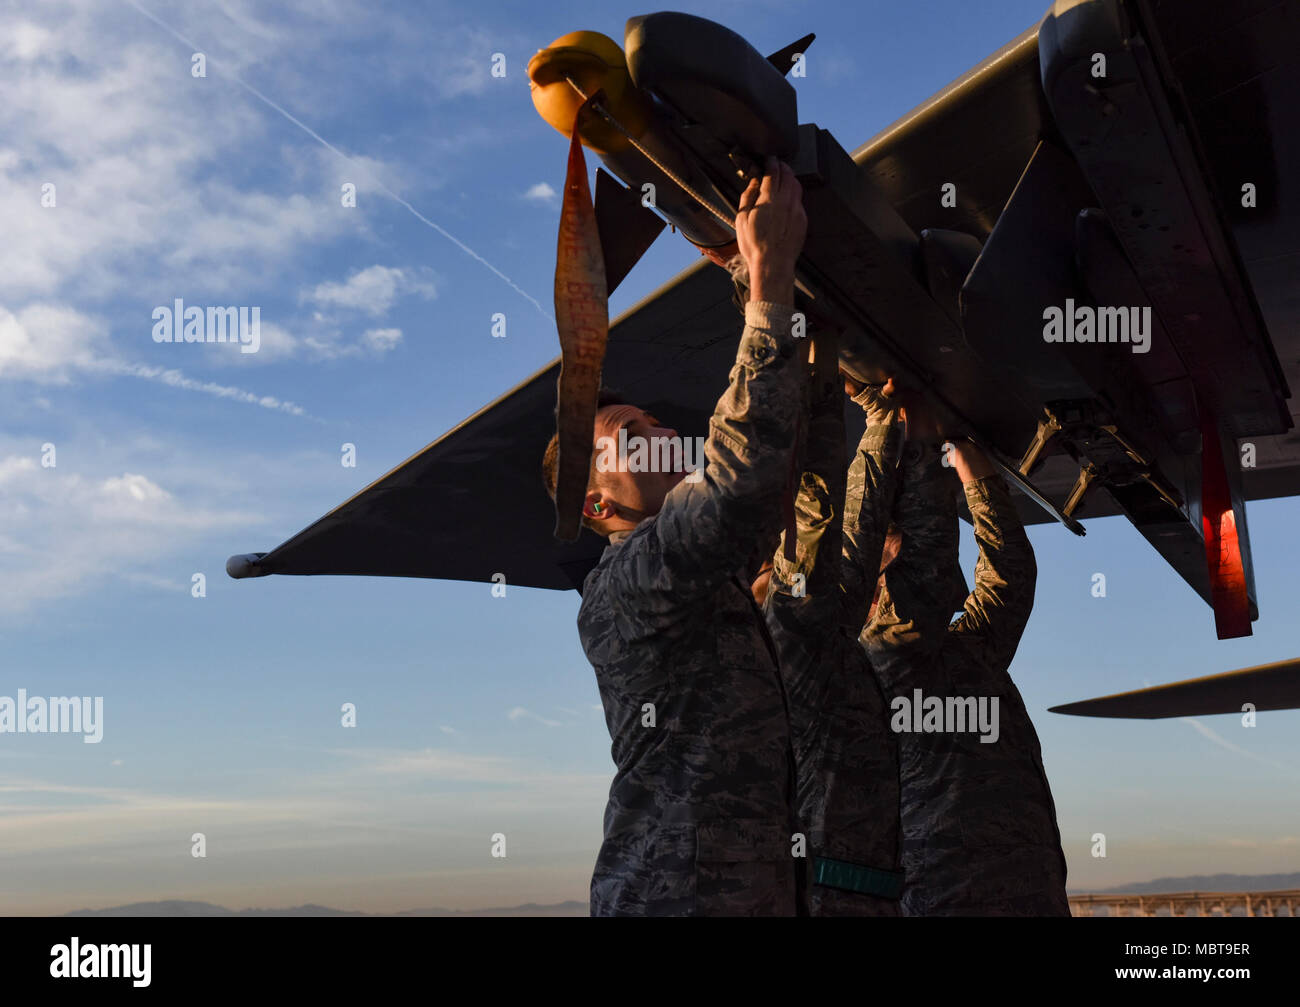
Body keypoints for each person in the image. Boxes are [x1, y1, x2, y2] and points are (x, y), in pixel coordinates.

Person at [541, 158, 809, 915]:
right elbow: (739, 479)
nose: (659, 434)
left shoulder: (699, 573)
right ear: (595, 503)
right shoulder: (624, 583)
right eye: (630, 436)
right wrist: (768, 278)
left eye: (656, 422)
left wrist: (748, 276)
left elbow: (774, 462)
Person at [861, 403, 1070, 916]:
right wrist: (914, 439)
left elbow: (1007, 575)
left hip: (1031, 894)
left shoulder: (970, 649)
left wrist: (972, 468)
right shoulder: (878, 665)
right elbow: (924, 580)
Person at [759, 338, 905, 915]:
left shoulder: (815, 634)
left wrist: (882, 425)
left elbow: (850, 542)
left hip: (862, 893)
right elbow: (821, 525)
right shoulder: (789, 631)